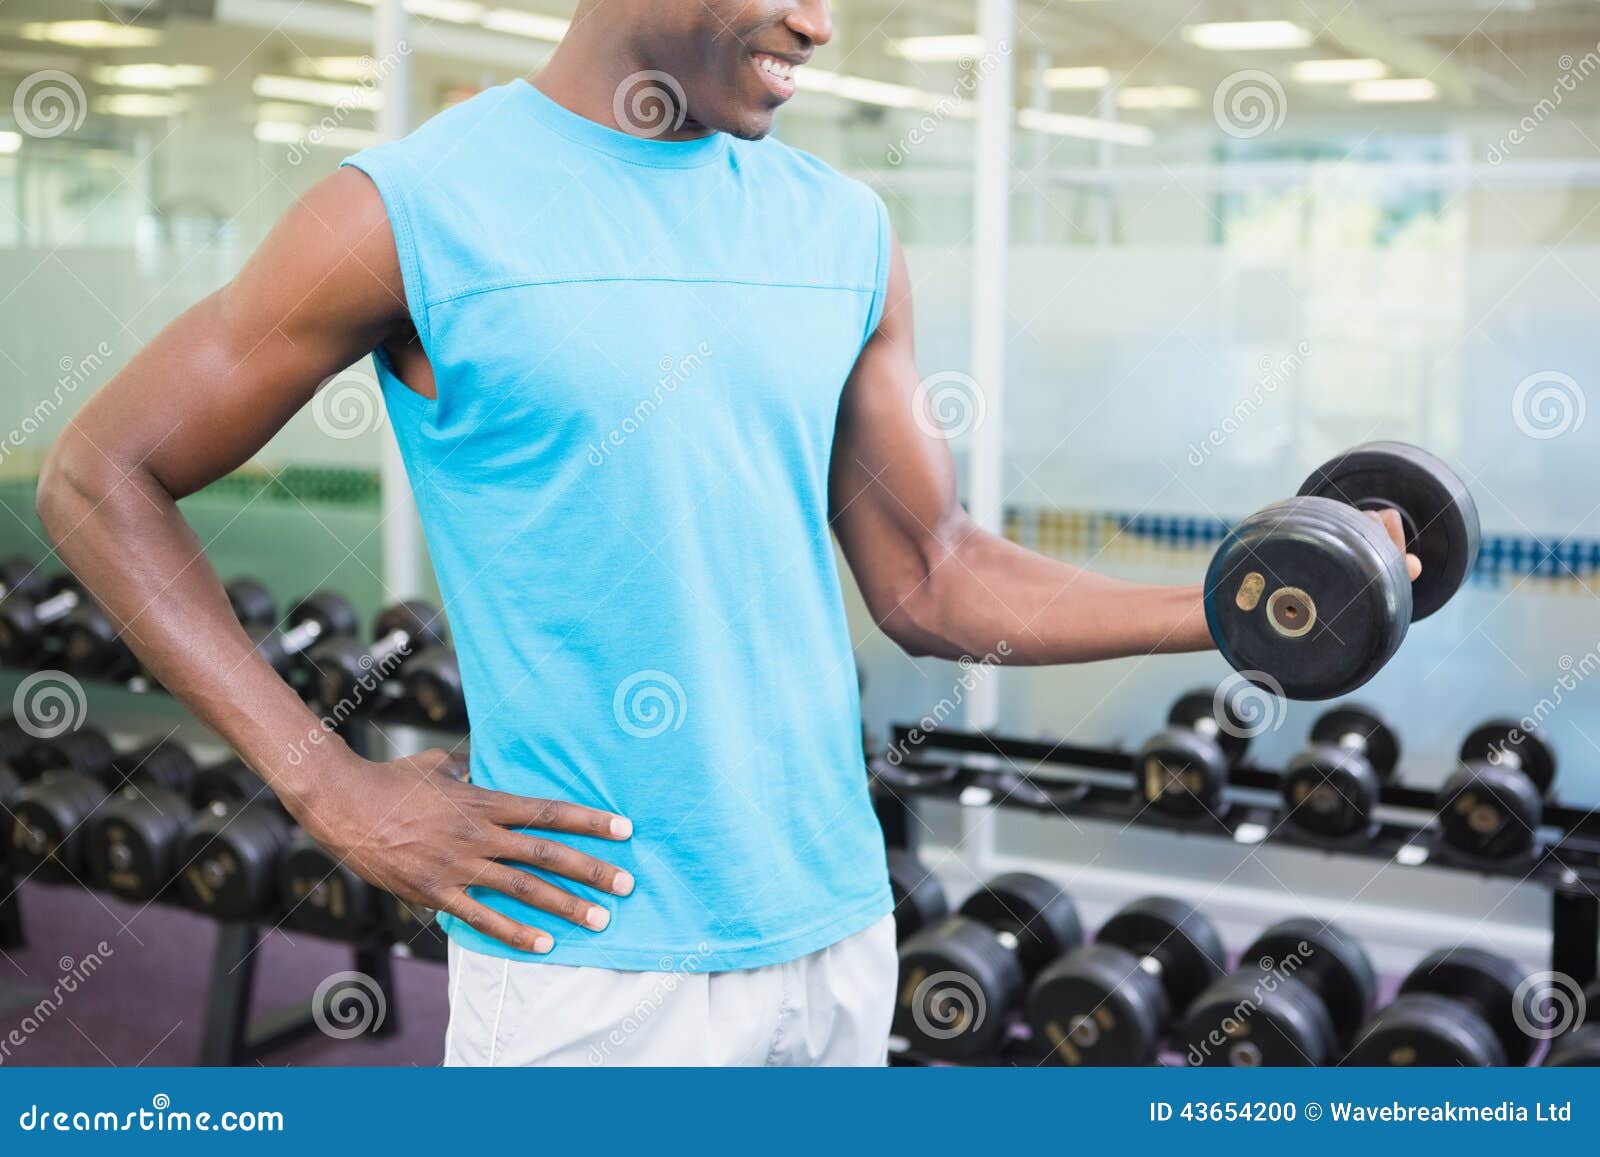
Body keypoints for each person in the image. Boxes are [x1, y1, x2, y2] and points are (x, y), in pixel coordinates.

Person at [36, 0, 1415, 1065]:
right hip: (589, 957)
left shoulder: (841, 229)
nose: (820, 21)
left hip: (836, 929)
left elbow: (933, 573)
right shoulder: (409, 210)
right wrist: (327, 786)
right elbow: (104, 475)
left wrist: (1253, 593)